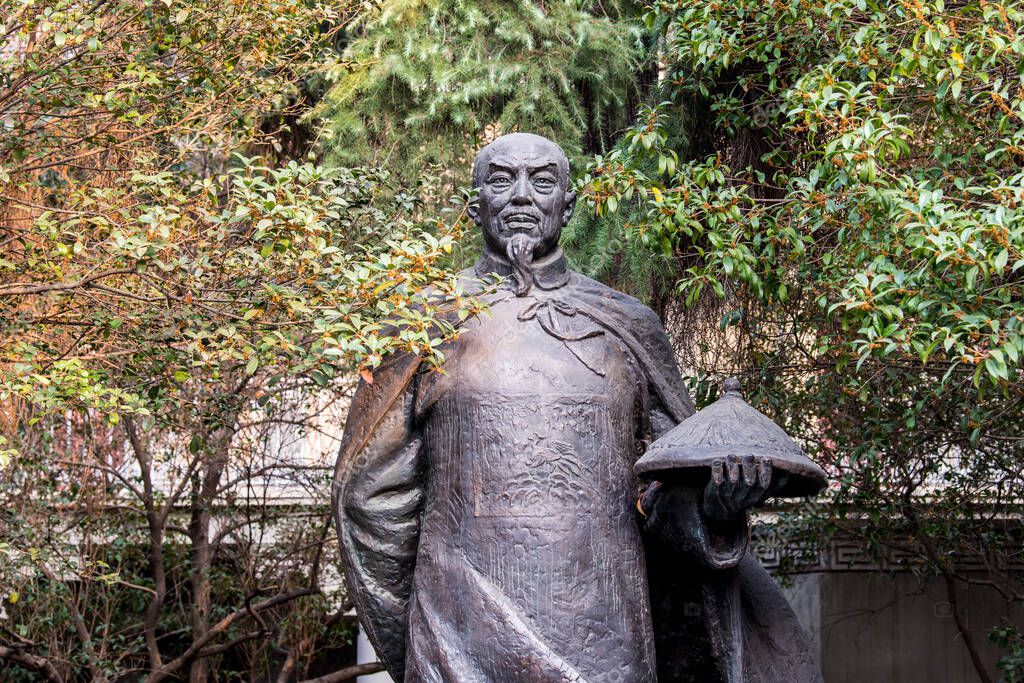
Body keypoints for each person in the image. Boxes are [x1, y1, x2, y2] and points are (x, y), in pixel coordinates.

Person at [333, 133, 821, 683]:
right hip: (458, 643)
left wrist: (716, 511)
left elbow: (666, 489)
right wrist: (418, 637)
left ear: (566, 206)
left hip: (606, 645)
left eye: (541, 182)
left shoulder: (626, 326)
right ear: (475, 206)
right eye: (501, 180)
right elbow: (370, 498)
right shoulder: (425, 321)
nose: (521, 196)